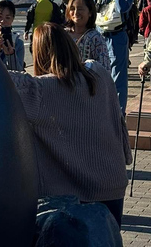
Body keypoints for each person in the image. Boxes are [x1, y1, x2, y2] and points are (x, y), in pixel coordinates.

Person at [10, 23, 131, 228]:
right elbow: (117, 120)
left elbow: (1, 79)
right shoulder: (99, 75)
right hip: (112, 186)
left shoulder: (40, 91)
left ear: (40, 54)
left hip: (67, 197)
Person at [95, 0, 134, 113]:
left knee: (118, 77)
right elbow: (95, 8)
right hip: (101, 35)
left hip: (117, 37)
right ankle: (103, 110)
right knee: (100, 74)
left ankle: (118, 113)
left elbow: (122, 8)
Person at [65, 0, 110, 70]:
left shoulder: (96, 38)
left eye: (80, 9)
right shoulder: (62, 35)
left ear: (90, 13)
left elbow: (104, 70)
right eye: (72, 9)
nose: (76, 13)